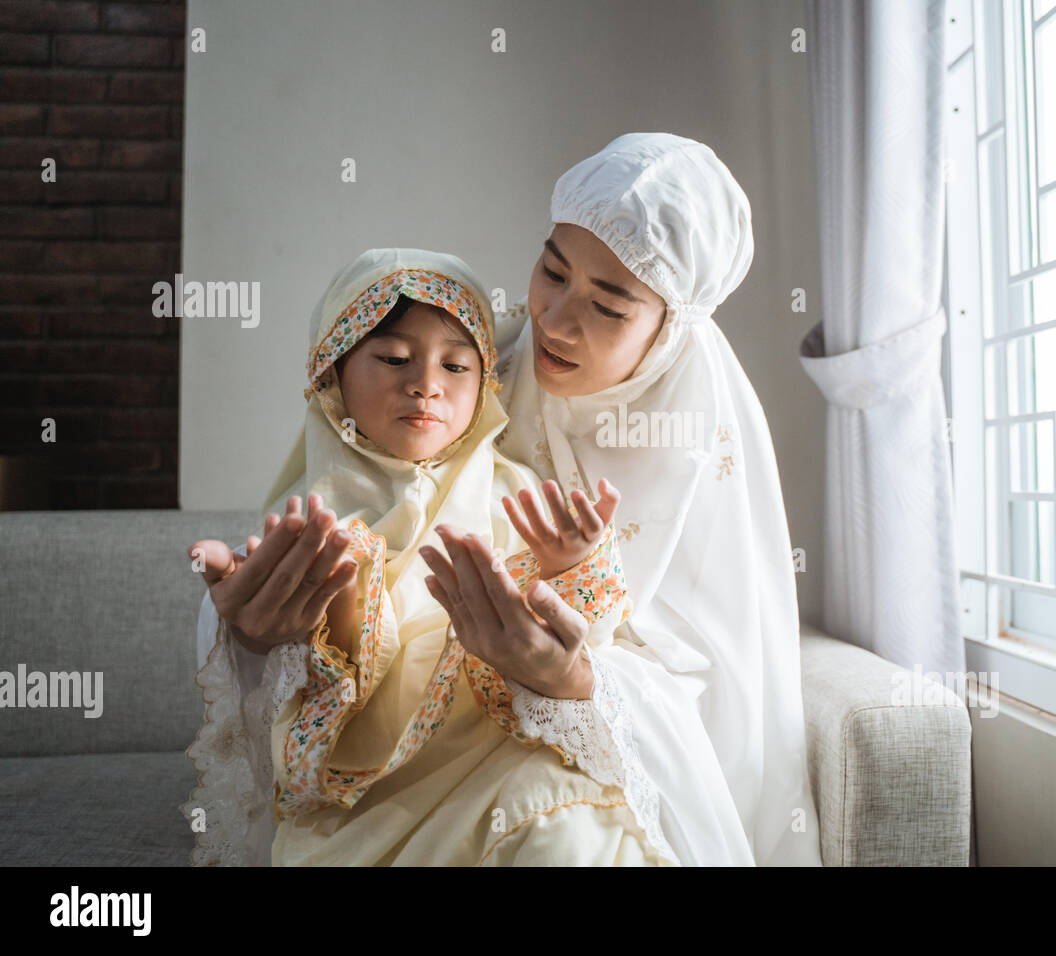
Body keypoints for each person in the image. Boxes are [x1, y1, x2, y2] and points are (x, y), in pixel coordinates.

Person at [183, 248, 736, 865]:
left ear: (487, 385)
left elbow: (590, 641)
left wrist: (571, 566)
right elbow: (268, 698)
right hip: (369, 801)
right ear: (331, 373)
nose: (425, 384)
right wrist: (268, 635)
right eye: (393, 358)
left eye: (457, 364)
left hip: (500, 761)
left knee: (571, 835)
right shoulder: (310, 517)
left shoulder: (519, 493)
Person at [476, 131, 824, 866]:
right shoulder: (482, 374)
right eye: (551, 271)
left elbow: (709, 673)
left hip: (616, 726)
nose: (555, 319)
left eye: (608, 307)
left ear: (669, 332)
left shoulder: (698, 435)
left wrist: (576, 671)